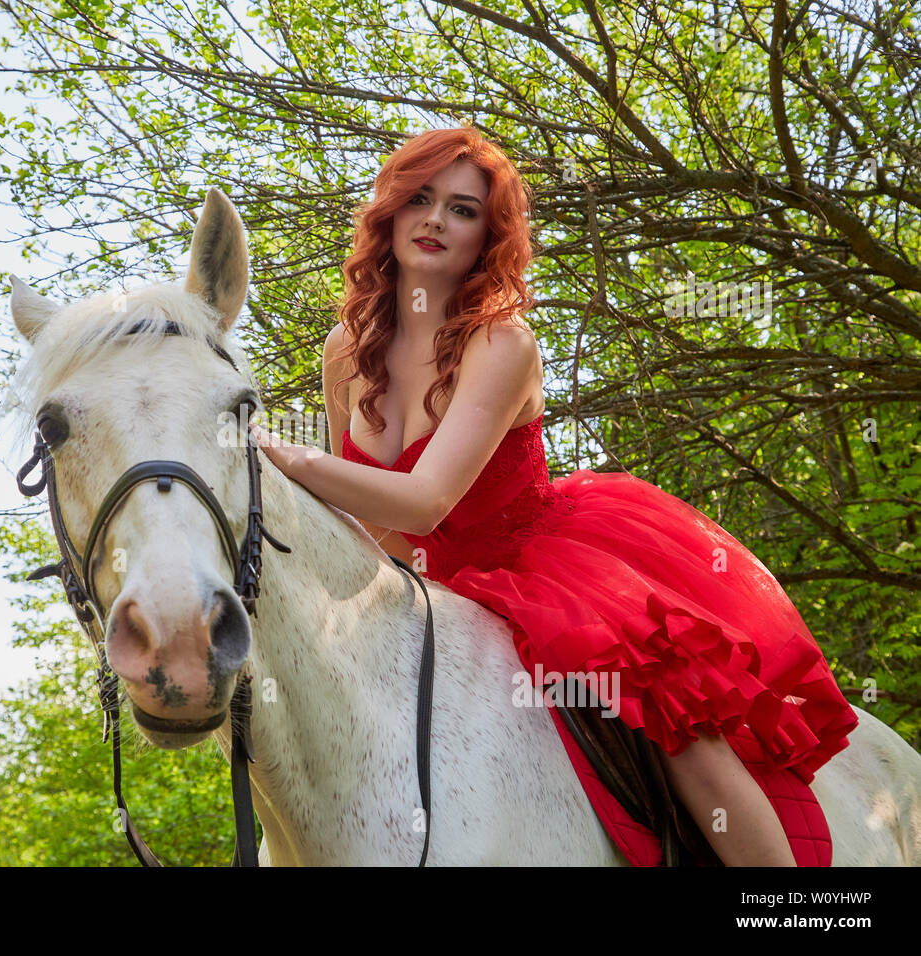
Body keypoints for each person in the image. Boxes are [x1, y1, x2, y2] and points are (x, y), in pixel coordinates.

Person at [248, 126, 859, 866]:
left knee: (675, 726)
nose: (437, 219)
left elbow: (424, 501)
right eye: (420, 198)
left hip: (539, 563)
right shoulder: (346, 352)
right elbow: (377, 534)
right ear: (390, 213)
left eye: (464, 210)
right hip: (429, 588)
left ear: (488, 237)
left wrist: (284, 457)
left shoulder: (503, 343)